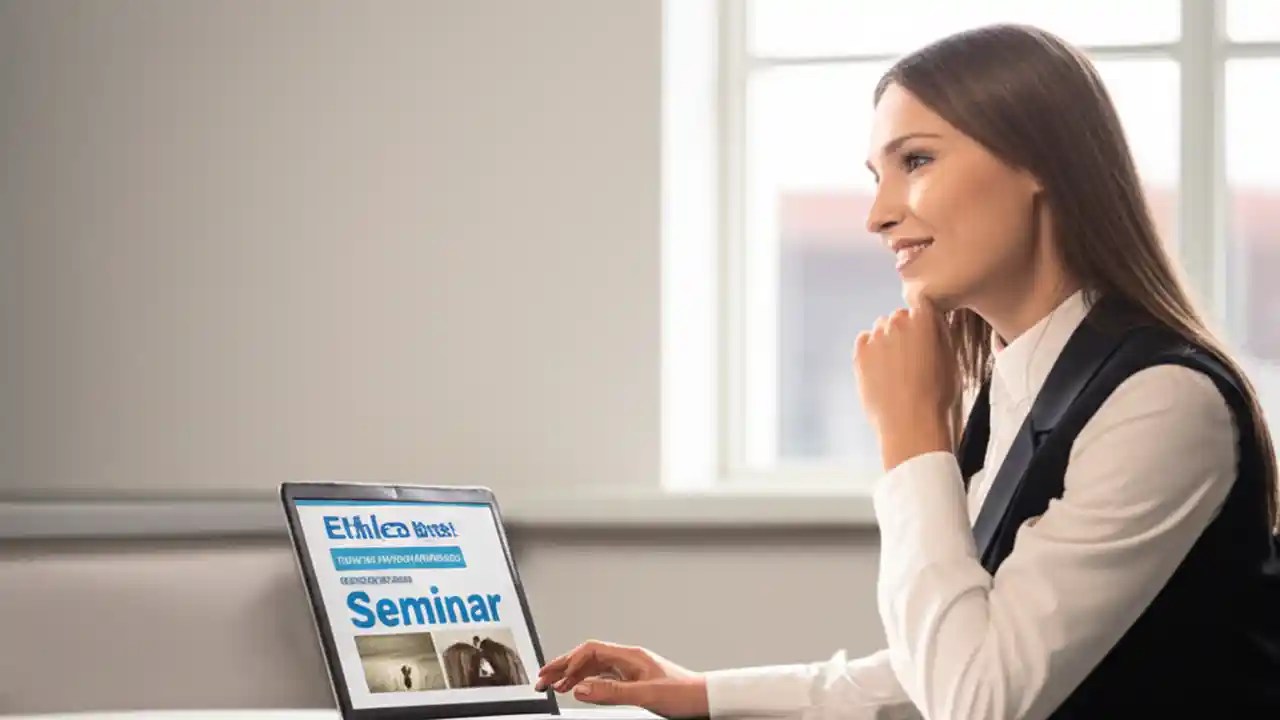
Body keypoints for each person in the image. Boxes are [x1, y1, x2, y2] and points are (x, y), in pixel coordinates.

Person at [534, 23, 1280, 719]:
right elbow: (946, 655)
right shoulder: (1026, 381)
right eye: (876, 174)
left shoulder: (1161, 401)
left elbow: (976, 698)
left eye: (915, 160)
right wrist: (704, 692)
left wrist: (911, 435)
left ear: (1040, 165)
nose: (879, 214)